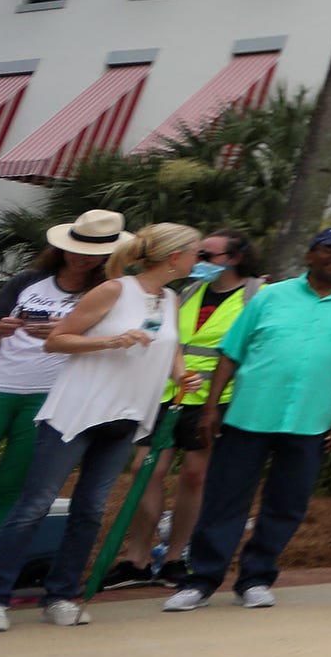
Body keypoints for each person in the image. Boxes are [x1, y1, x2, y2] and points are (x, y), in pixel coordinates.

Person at [0, 222, 199, 632]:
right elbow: (57, 339)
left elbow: (171, 343)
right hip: (77, 412)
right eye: (196, 252)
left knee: (90, 510)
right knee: (33, 506)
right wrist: (108, 342)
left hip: (126, 415)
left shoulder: (171, 298)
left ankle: (61, 595)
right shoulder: (113, 289)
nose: (200, 260)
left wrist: (181, 375)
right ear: (175, 257)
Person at [166, 225, 331, 613]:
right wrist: (211, 408)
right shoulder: (269, 296)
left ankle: (256, 578)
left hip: (312, 421)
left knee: (288, 503)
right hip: (249, 415)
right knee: (225, 499)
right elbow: (231, 352)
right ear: (311, 254)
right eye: (330, 249)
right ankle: (202, 581)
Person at [0, 208, 120, 619]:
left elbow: (109, 345)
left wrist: (61, 332)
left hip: (49, 399)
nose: (83, 257)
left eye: (94, 251)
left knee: (7, 496)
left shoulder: (108, 292)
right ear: (59, 246)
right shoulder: (26, 282)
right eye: (76, 248)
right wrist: (0, 328)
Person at [103, 230, 261, 590]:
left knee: (194, 476)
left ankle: (175, 558)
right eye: (198, 254)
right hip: (164, 392)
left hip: (215, 399)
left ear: (235, 259)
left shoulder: (258, 295)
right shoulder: (183, 291)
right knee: (146, 470)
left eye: (209, 255)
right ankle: (136, 558)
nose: (200, 261)